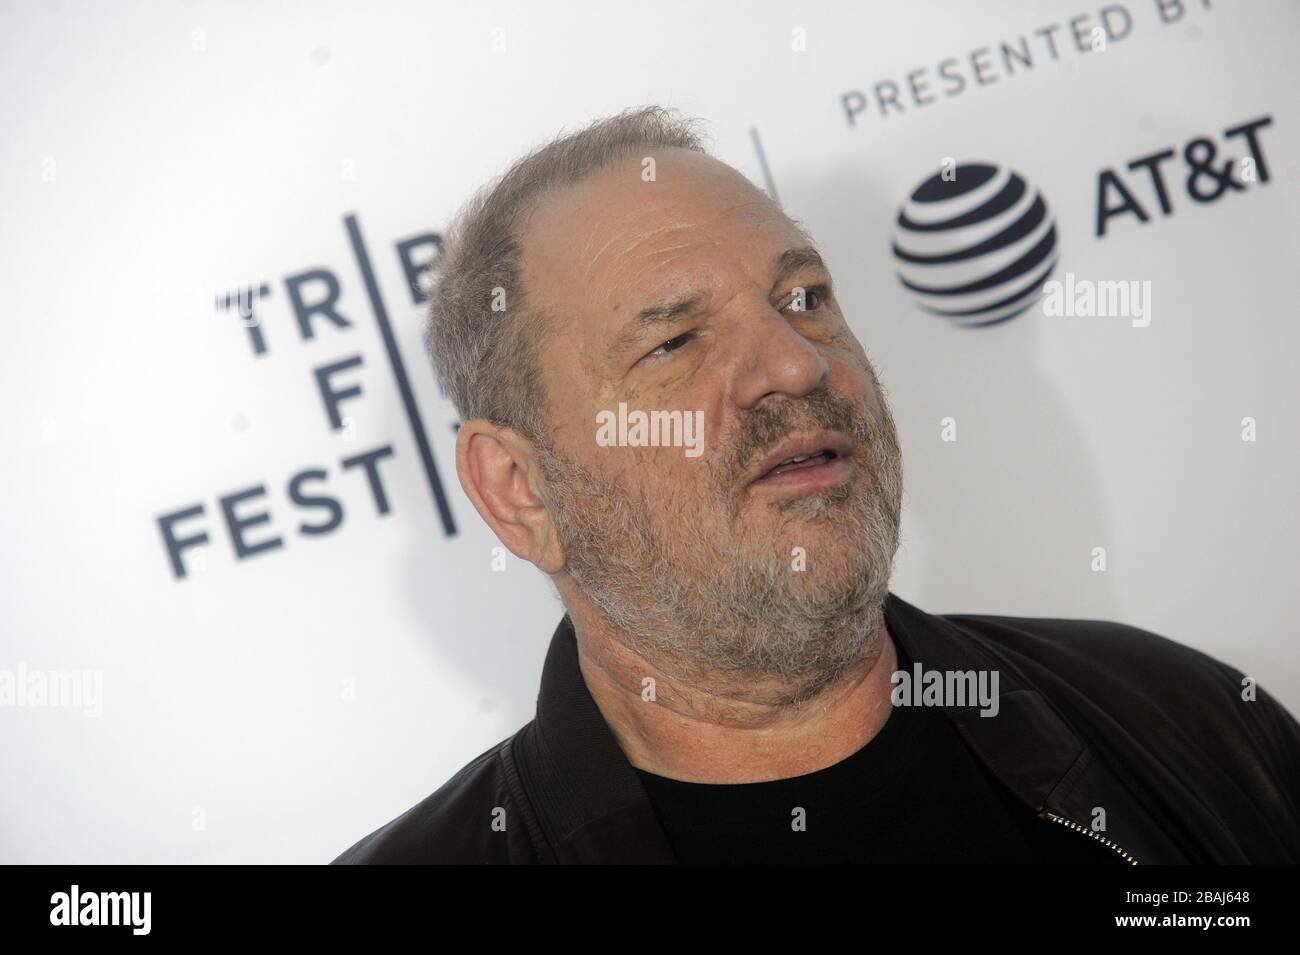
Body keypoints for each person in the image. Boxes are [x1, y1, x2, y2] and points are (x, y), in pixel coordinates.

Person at [333, 106, 1300, 864]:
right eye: (673, 341)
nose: (795, 365)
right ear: (519, 489)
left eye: (803, 298)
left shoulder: (1174, 715)